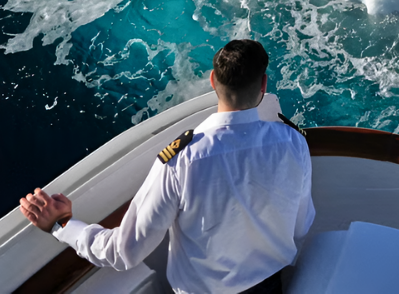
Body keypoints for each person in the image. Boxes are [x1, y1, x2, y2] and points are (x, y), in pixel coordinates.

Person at [19, 39, 315, 294]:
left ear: (212, 81)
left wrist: (61, 225)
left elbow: (125, 252)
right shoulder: (294, 142)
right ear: (264, 84)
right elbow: (301, 225)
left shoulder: (181, 160)